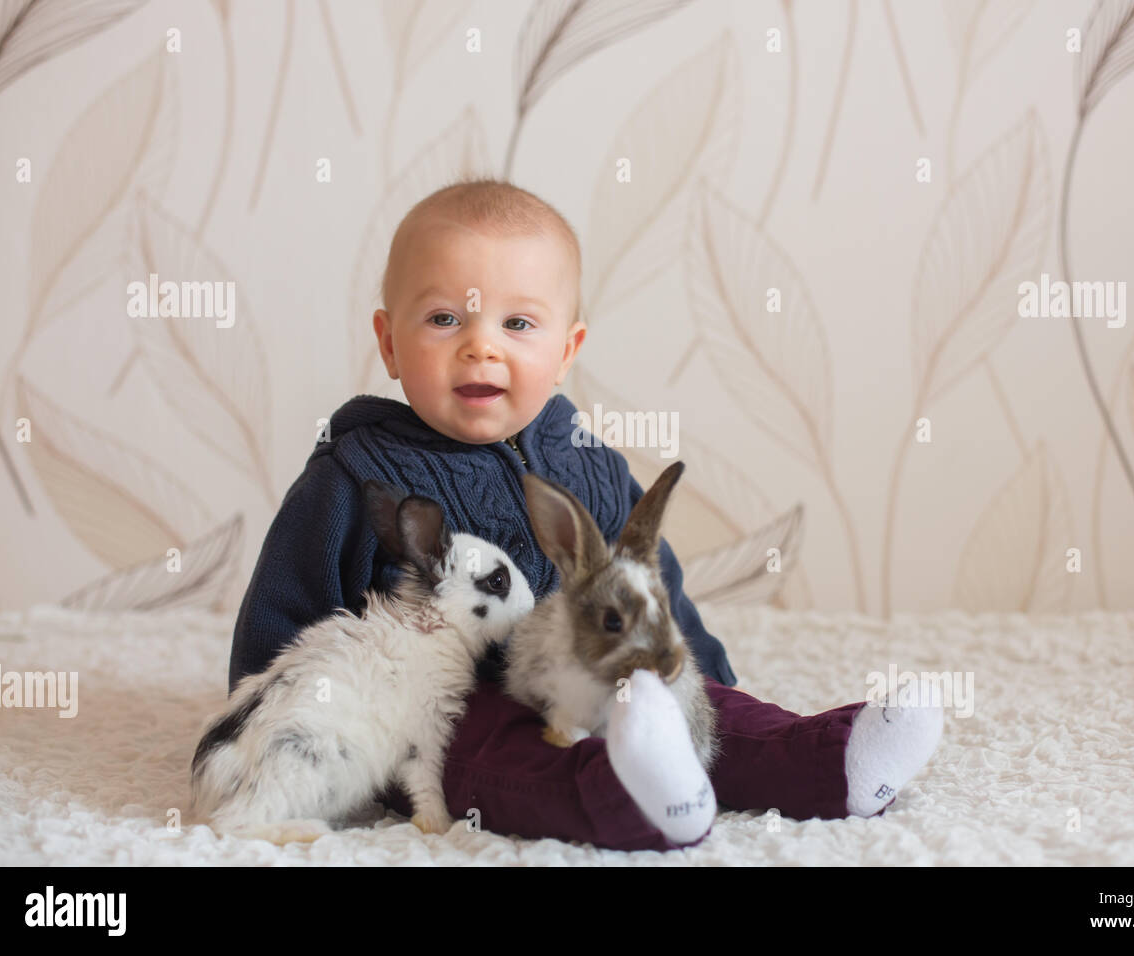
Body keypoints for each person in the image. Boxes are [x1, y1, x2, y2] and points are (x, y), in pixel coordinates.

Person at [228, 177, 942, 851]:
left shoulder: (586, 463)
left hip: (611, 677)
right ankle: (628, 796)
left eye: (518, 322)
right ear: (388, 342)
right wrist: (278, 731)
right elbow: (285, 612)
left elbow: (651, 585)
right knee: (499, 759)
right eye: (445, 318)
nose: (482, 344)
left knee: (708, 714)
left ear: (566, 350)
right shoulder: (357, 474)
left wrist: (710, 676)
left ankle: (829, 758)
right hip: (452, 707)